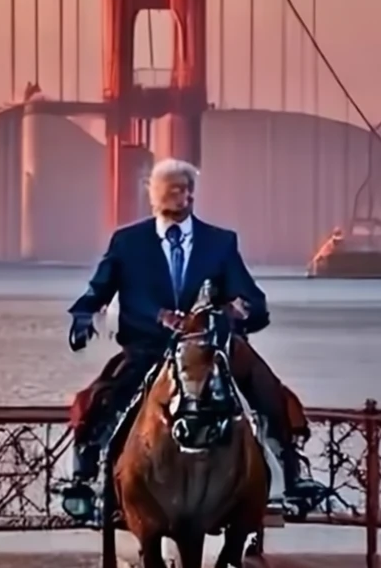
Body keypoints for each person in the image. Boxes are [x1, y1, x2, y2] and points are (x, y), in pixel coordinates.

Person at [63, 157, 323, 514]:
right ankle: (86, 479)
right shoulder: (127, 242)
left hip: (212, 345)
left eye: (186, 189)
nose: (181, 195)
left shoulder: (220, 242)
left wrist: (236, 311)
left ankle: (292, 478)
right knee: (105, 396)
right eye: (172, 189)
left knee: (268, 389)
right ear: (154, 195)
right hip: (149, 345)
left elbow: (252, 298)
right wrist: (81, 315)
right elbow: (99, 290)